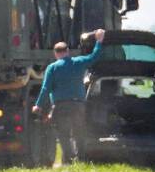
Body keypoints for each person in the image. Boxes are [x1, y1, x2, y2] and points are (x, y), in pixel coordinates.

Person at [32, 29, 105, 164]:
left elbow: (45, 88)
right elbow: (94, 57)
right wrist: (99, 41)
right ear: (67, 51)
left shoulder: (52, 67)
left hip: (60, 106)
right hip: (78, 105)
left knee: (63, 134)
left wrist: (38, 105)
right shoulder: (78, 62)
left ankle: (69, 159)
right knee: (79, 133)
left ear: (56, 53)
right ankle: (81, 159)